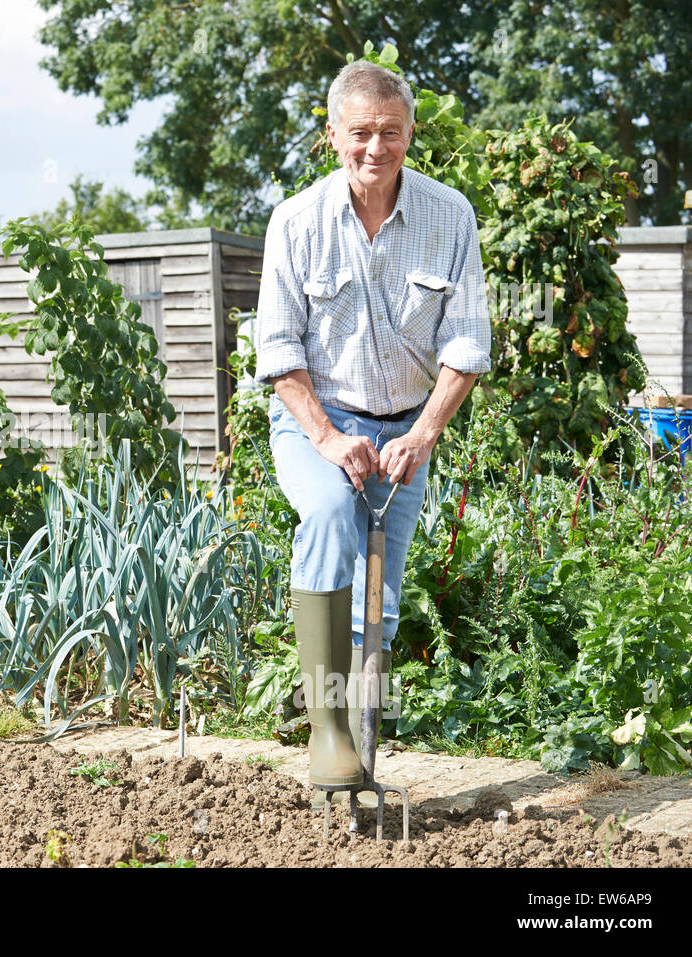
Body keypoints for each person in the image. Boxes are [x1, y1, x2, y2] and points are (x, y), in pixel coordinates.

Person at [254, 60, 491, 805]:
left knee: (377, 600)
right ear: (332, 135)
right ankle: (328, 734)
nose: (375, 148)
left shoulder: (450, 216)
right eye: (360, 133)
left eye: (391, 132)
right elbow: (279, 353)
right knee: (326, 515)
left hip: (404, 434)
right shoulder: (295, 222)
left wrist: (422, 434)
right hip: (314, 421)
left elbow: (467, 344)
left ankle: (361, 747)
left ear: (409, 133)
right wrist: (327, 439)